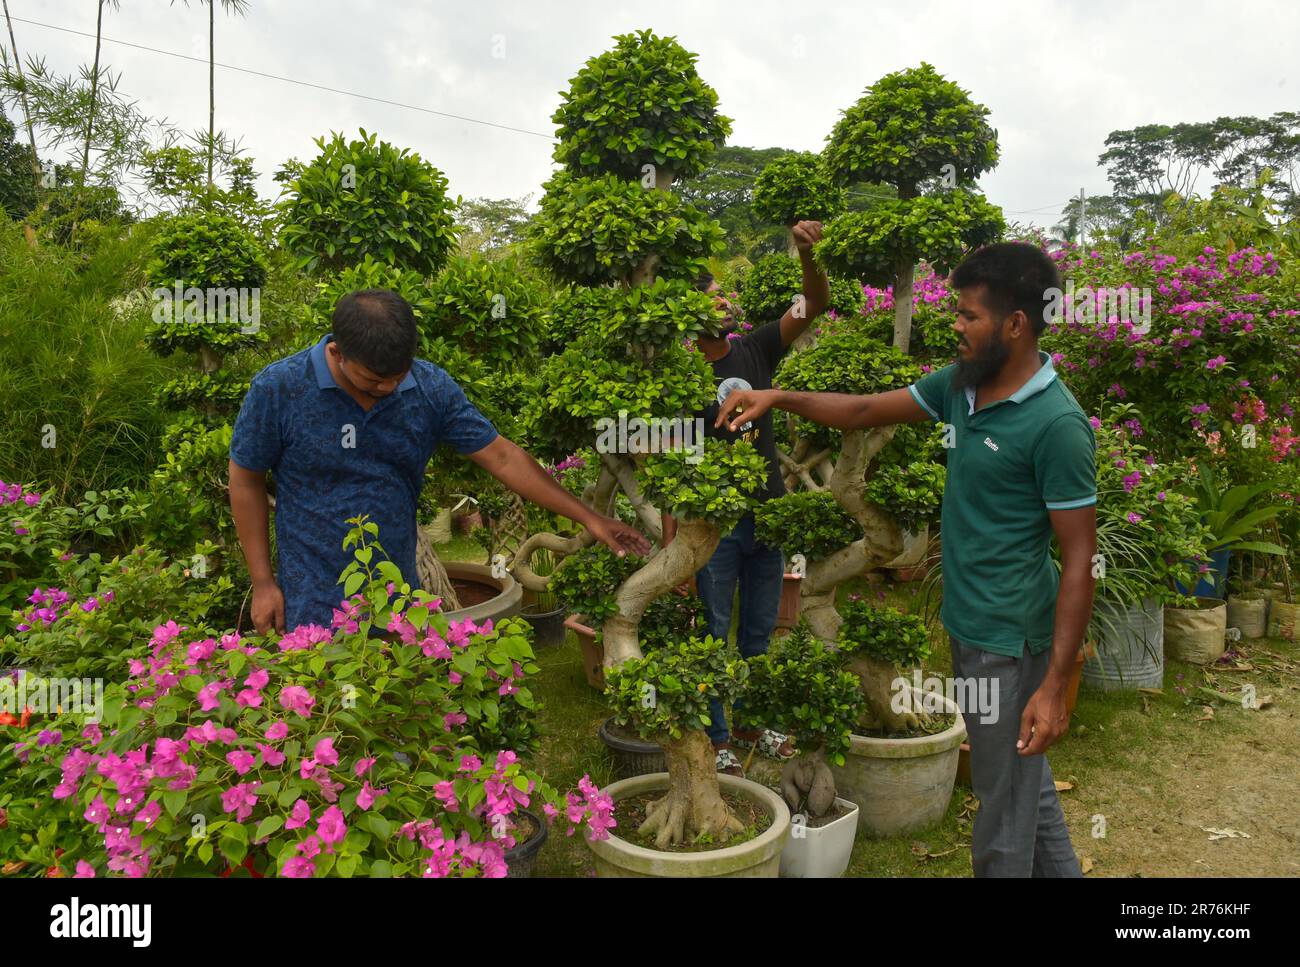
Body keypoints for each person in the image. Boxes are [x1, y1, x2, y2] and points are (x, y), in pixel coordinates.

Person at [715, 241, 1095, 877]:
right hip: (971, 629)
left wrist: (1055, 685)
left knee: (1001, 812)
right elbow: (863, 410)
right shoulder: (962, 388)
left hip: (1012, 640)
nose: (955, 325)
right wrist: (776, 396)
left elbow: (1080, 559)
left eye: (968, 315)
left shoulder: (1056, 424)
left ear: (1015, 324)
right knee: (1023, 782)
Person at [228, 289, 648, 635]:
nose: (390, 388)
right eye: (374, 380)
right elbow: (245, 480)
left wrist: (589, 517)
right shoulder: (279, 388)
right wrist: (264, 583)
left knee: (398, 710)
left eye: (398, 376)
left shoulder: (428, 386)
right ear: (337, 352)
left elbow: (502, 456)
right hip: (310, 593)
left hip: (397, 590)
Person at [663, 220, 829, 776]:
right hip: (715, 526)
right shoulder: (681, 377)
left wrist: (811, 255)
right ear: (689, 315)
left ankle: (757, 721)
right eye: (713, 299)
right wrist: (674, 548)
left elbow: (815, 304)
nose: (726, 302)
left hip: (768, 515)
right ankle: (718, 736)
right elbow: (675, 463)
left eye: (724, 294)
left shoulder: (755, 349)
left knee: (759, 632)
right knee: (714, 634)